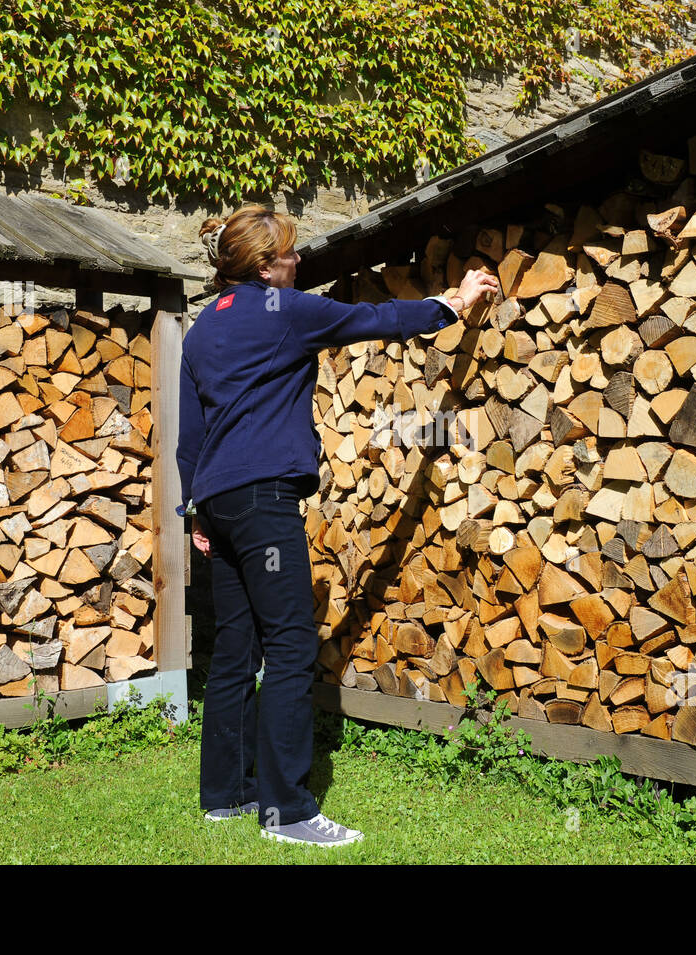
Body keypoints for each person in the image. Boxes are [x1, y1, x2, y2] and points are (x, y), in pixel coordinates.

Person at [177, 204, 500, 847]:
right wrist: (453, 303)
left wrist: (196, 510)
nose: (299, 262)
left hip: (219, 503)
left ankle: (226, 795)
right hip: (265, 499)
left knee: (238, 646)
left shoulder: (199, 332)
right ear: (266, 267)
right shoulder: (285, 310)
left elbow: (191, 435)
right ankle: (289, 813)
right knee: (293, 646)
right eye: (290, 254)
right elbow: (371, 320)